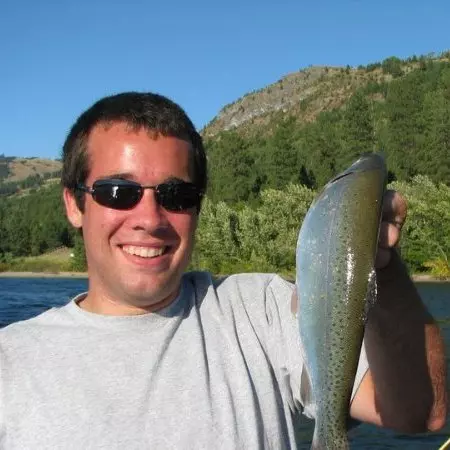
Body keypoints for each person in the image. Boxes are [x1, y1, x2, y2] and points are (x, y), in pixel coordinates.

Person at [0, 92, 446, 449]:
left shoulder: (261, 310)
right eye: (119, 191)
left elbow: (421, 413)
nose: (150, 218)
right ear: (73, 203)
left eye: (176, 195)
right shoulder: (10, 361)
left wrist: (381, 268)